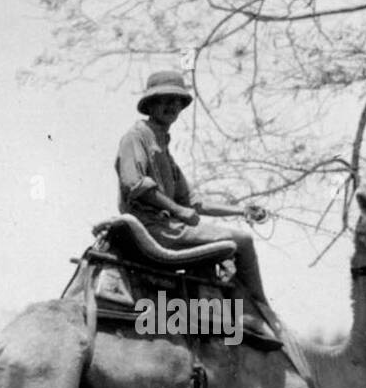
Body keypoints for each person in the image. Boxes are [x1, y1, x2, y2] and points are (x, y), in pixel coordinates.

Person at [115, 70, 274, 335]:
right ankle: (258, 311)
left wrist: (241, 210)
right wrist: (177, 210)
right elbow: (135, 184)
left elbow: (194, 203)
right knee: (243, 242)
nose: (172, 107)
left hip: (169, 227)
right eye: (164, 100)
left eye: (177, 101)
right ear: (151, 105)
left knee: (228, 251)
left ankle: (221, 313)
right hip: (154, 229)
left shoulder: (162, 146)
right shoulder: (136, 137)